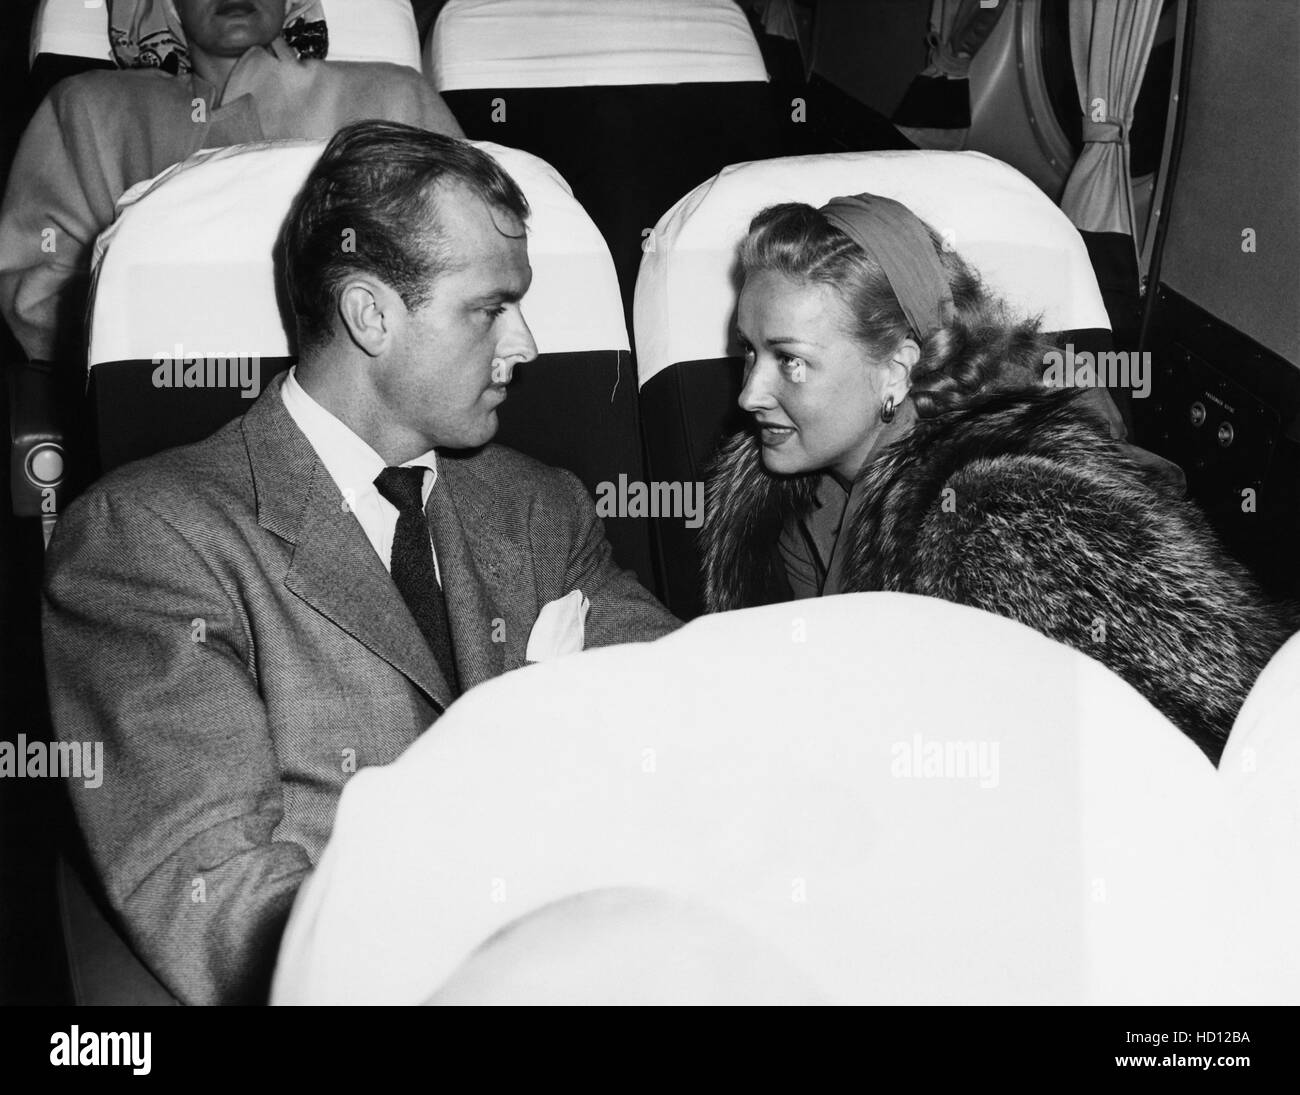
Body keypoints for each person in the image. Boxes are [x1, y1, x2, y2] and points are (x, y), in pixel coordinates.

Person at [42, 121, 678, 1006]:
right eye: (491, 308)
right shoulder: (149, 538)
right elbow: (221, 900)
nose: (527, 345)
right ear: (370, 314)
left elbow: (685, 724)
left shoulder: (540, 506)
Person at [700, 193, 1298, 763]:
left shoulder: (1007, 516)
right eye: (748, 352)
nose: (750, 393)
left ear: (897, 371)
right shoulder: (799, 491)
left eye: (791, 360)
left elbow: (1199, 737)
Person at [0, 0, 463, 365]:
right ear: (169, 5)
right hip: (167, 394)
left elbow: (467, 257)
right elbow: (35, 289)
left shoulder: (395, 96)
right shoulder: (88, 109)